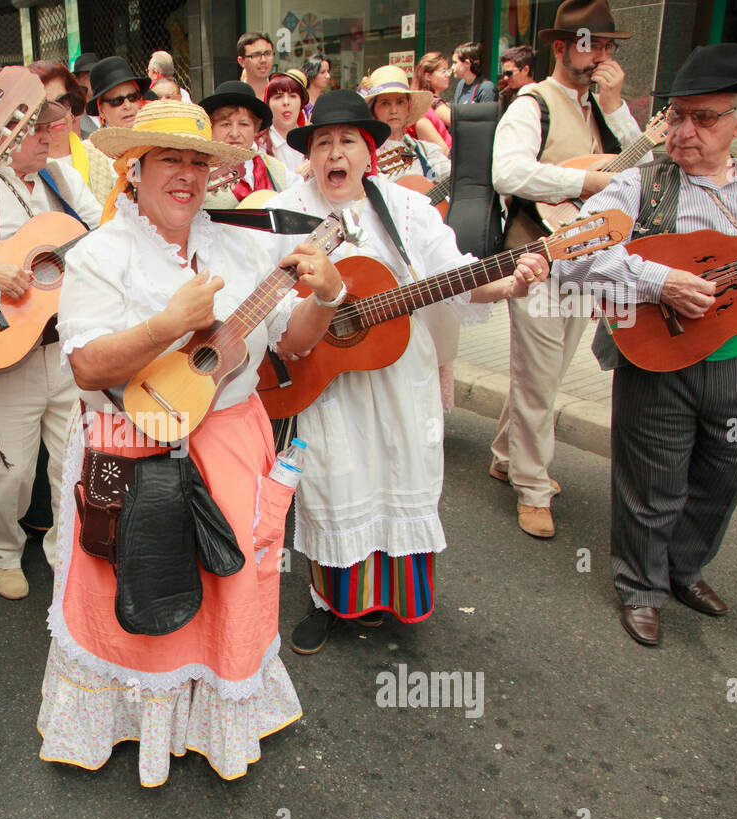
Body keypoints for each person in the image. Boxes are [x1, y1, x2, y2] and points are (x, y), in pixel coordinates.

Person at [38, 100, 344, 786]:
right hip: (126, 440)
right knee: (128, 579)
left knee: (229, 580)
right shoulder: (98, 255)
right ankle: (131, 723)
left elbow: (292, 343)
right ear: (134, 168)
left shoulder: (244, 245)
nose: (186, 175)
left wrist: (327, 295)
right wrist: (165, 326)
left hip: (231, 438)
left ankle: (213, 719)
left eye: (198, 161)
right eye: (169, 159)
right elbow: (87, 366)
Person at [259, 91, 548, 654]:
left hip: (398, 377)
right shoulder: (286, 212)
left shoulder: (407, 209)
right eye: (323, 142)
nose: (334, 153)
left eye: (347, 141)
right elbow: (270, 301)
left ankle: (387, 599)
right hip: (327, 382)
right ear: (309, 155)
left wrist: (512, 279)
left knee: (396, 475)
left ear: (369, 152)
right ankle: (328, 602)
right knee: (334, 481)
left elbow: (457, 274)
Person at [554, 43, 737, 647]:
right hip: (656, 360)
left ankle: (684, 570)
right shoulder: (640, 186)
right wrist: (661, 280)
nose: (683, 131)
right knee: (650, 485)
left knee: (722, 480)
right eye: (676, 114)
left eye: (703, 117)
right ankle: (641, 588)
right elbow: (570, 260)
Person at [489, 0, 640, 538]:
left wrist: (617, 105)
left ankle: (507, 454)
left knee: (544, 374)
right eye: (590, 44)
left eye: (607, 46)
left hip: (587, 260)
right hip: (535, 257)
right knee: (538, 379)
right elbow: (508, 172)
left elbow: (640, 168)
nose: (601, 54)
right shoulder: (532, 103)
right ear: (561, 46)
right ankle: (531, 485)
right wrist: (583, 183)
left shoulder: (601, 106)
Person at [0, 86, 103, 600]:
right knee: (11, 470)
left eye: (50, 125)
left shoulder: (62, 177)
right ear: (4, 136)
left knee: (72, 459)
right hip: (6, 352)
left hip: (64, 342)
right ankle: (2, 552)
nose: (49, 135)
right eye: (35, 128)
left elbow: (99, 233)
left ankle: (63, 551)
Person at [361, 65, 460, 411]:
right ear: (373, 109)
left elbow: (453, 180)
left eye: (398, 103)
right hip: (385, 257)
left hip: (424, 255)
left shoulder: (424, 151)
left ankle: (428, 411)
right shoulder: (364, 153)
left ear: (408, 108)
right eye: (384, 103)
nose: (391, 110)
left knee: (433, 336)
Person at [199, 79, 287, 209]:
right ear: (211, 128)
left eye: (244, 124)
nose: (234, 133)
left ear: (255, 129)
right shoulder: (199, 169)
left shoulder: (275, 168)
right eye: (226, 124)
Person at [80, 57, 153, 207]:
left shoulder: (157, 141)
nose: (127, 105)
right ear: (101, 110)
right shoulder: (89, 151)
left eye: (132, 97)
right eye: (116, 101)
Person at [260, 70, 308, 180]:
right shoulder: (259, 145)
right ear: (268, 104)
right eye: (278, 97)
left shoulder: (311, 141)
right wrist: (296, 177)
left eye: (292, 96)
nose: (286, 102)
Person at [410, 52, 452, 151]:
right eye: (443, 71)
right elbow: (455, 120)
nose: (448, 75)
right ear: (428, 76)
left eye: (448, 70)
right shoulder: (430, 102)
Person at [237, 32, 275, 101]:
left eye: (268, 54)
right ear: (241, 61)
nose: (263, 60)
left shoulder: (281, 95)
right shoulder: (235, 98)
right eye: (256, 55)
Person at [499, 43, 536, 112]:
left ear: (525, 70)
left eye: (509, 73)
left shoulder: (536, 97)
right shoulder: (506, 94)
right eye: (504, 73)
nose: (505, 78)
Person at [72, 52, 100, 139]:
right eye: (89, 76)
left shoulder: (109, 106)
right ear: (77, 80)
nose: (95, 80)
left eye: (97, 75)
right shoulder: (73, 116)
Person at [300, 54, 332, 120]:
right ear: (311, 73)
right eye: (322, 72)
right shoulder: (301, 101)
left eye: (328, 71)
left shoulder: (328, 100)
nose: (328, 76)